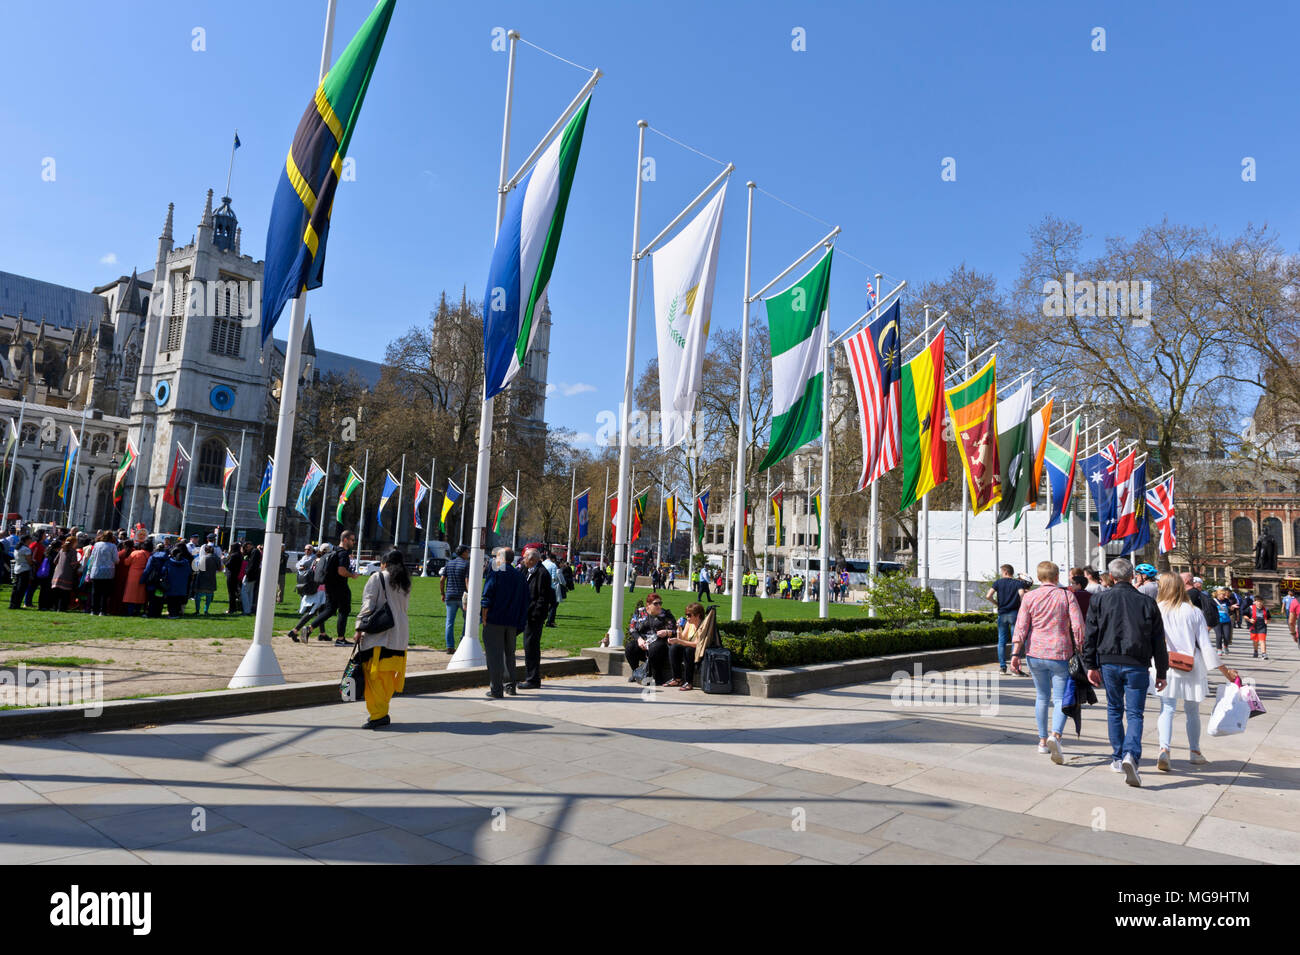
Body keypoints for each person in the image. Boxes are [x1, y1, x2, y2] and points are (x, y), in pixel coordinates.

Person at [1083, 558, 1168, 788]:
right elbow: (1158, 639)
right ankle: (1130, 754)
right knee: (1134, 713)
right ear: (1132, 576)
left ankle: (1119, 757)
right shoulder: (1146, 602)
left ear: (1112, 577)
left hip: (1109, 661)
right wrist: (1162, 671)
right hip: (1137, 663)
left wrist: (1090, 664)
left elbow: (1090, 634)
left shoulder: (1099, 599)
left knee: (1114, 709)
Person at [1152, 572, 1238, 772]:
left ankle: (1164, 748)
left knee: (1167, 708)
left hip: (1165, 663)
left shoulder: (1157, 609)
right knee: (1192, 711)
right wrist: (1224, 671)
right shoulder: (1193, 611)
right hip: (1191, 664)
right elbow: (1206, 646)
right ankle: (1195, 751)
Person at [1009, 561, 1086, 764]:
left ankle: (1042, 740)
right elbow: (1078, 626)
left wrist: (1015, 654)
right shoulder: (1066, 595)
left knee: (1042, 697)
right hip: (1060, 652)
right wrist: (1080, 647)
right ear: (1056, 577)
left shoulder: (1029, 597)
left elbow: (1021, 626)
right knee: (1060, 698)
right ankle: (1056, 735)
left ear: (1039, 576)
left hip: (1035, 652)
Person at [352, 549, 412, 729]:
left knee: (374, 677)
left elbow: (368, 603)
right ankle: (382, 711)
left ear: (384, 563)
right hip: (400, 636)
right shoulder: (405, 582)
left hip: (381, 635)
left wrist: (358, 627)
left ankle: (379, 714)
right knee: (387, 679)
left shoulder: (378, 577)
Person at [287, 531, 360, 646]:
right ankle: (341, 639)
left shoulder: (333, 550)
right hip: (340, 586)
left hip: (329, 586)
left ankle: (310, 628)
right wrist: (352, 575)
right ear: (345, 539)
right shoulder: (343, 553)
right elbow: (341, 571)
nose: (354, 542)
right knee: (344, 611)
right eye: (352, 539)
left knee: (329, 610)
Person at [479, 547, 527, 698]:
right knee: (509, 655)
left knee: (494, 656)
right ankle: (510, 686)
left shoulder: (496, 571)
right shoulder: (519, 575)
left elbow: (488, 595)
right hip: (512, 621)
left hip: (495, 620)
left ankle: (496, 689)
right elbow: (525, 601)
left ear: (501, 557)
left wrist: (484, 617)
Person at [519, 547, 554, 689]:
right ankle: (529, 676)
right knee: (528, 646)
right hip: (524, 615)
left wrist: (535, 615)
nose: (523, 560)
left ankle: (533, 679)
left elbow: (543, 598)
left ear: (532, 559)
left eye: (525, 558)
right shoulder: (526, 571)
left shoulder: (542, 573)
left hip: (534, 617)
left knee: (531, 647)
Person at [987, 564, 1032, 675]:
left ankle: (1002, 667)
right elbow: (1022, 595)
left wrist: (997, 604)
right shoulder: (1018, 583)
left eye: (1002, 572)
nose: (1002, 574)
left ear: (1006, 572)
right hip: (1014, 614)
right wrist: (1023, 607)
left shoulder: (998, 582)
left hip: (1002, 614)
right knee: (1015, 641)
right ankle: (1014, 667)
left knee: (1001, 641)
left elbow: (988, 596)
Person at [625, 592, 677, 686]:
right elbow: (632, 628)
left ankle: (655, 676)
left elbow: (675, 630)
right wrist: (639, 639)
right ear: (648, 605)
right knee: (630, 647)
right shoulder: (640, 612)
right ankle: (636, 672)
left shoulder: (666, 614)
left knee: (655, 648)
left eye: (660, 603)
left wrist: (666, 632)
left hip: (659, 643)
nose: (659, 606)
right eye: (656, 603)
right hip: (643, 641)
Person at [665, 601, 711, 690]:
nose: (687, 617)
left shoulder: (703, 626)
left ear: (697, 615)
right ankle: (677, 679)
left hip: (699, 652)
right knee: (674, 648)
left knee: (688, 650)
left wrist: (678, 641)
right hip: (689, 649)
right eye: (686, 614)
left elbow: (697, 645)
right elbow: (682, 640)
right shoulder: (689, 624)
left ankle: (689, 682)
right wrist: (679, 629)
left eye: (689, 615)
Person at [292, 544, 328, 641]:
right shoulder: (323, 561)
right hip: (320, 589)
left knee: (321, 612)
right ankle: (295, 631)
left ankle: (322, 634)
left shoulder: (315, 560)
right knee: (312, 613)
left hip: (315, 588)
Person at [439, 545, 469, 652]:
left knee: (449, 622)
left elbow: (442, 580)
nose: (469, 553)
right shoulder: (466, 564)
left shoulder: (449, 563)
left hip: (450, 595)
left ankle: (450, 646)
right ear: (464, 553)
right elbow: (467, 582)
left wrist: (442, 593)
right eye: (467, 551)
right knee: (467, 621)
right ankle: (463, 642)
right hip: (463, 597)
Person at [85, 530, 120, 616]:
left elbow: (92, 558)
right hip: (108, 571)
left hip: (96, 570)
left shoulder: (97, 545)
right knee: (105, 592)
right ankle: (102, 610)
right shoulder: (113, 546)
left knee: (95, 591)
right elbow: (116, 560)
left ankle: (93, 610)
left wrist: (89, 570)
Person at [51, 537, 81, 612]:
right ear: (74, 543)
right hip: (67, 574)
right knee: (64, 594)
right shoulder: (73, 551)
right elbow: (73, 564)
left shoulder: (62, 550)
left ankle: (55, 607)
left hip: (57, 574)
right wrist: (78, 564)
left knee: (57, 593)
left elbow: (55, 561)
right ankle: (62, 608)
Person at [121, 540, 150, 616]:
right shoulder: (150, 555)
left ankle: (130, 611)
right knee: (140, 594)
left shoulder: (135, 553)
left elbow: (126, 562)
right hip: (144, 575)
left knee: (131, 594)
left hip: (133, 575)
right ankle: (138, 611)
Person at [162, 544, 191, 617]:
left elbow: (163, 571)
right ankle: (177, 613)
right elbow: (189, 572)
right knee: (178, 600)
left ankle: (171, 613)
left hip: (171, 584)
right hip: (182, 585)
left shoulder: (169, 562)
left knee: (171, 600)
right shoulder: (186, 562)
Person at [143, 543, 170, 618]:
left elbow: (147, 569)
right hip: (161, 580)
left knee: (151, 598)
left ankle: (150, 612)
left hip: (152, 578)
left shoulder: (152, 557)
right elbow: (166, 568)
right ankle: (158, 613)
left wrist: (142, 579)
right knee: (159, 597)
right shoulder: (166, 558)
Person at [193, 543, 219, 614]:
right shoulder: (216, 558)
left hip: (202, 579)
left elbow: (199, 569)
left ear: (205, 551)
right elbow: (220, 568)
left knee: (198, 596)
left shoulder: (204, 558)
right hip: (212, 579)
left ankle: (197, 610)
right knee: (209, 596)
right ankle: (206, 610)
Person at [7, 535, 32, 609]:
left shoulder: (17, 548)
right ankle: (17, 604)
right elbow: (29, 561)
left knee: (15, 588)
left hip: (17, 569)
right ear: (27, 540)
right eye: (30, 539)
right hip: (24, 569)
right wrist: (33, 562)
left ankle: (12, 604)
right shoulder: (26, 549)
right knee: (21, 589)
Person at [240, 542, 261, 615]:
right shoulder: (255, 551)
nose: (246, 548)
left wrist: (247, 573)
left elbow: (252, 564)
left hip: (250, 574)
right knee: (250, 592)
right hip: (254, 575)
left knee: (244, 592)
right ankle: (248, 609)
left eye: (246, 547)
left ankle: (247, 610)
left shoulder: (254, 552)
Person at [223, 544, 245, 614]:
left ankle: (231, 609)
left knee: (231, 593)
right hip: (236, 575)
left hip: (231, 575)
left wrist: (223, 559)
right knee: (234, 592)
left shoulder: (234, 555)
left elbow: (227, 564)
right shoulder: (240, 555)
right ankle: (234, 608)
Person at [1212, 588, 1233, 654]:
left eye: (1224, 594)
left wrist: (1232, 607)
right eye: (1223, 595)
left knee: (1227, 636)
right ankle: (1219, 649)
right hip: (1217, 621)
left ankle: (1225, 646)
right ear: (1218, 594)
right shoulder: (1213, 601)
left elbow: (1230, 608)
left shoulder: (1226, 601)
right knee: (1219, 635)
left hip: (1226, 621)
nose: (1224, 596)